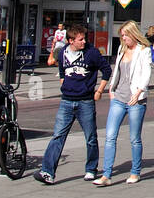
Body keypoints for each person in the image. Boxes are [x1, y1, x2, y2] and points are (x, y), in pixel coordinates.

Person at [34, 25, 111, 185]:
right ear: (71, 41)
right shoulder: (63, 53)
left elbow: (107, 70)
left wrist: (99, 90)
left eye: (84, 38)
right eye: (80, 39)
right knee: (58, 136)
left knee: (90, 137)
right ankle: (47, 172)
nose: (84, 41)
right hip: (67, 100)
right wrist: (64, 85)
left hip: (86, 101)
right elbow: (62, 71)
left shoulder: (92, 53)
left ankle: (91, 169)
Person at [95, 21, 153, 185]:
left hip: (135, 100)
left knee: (134, 138)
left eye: (126, 35)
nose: (123, 38)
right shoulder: (122, 49)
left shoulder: (143, 51)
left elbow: (147, 73)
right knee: (110, 136)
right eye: (122, 36)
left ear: (133, 34)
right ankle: (106, 175)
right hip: (118, 98)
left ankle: (135, 172)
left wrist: (139, 91)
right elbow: (117, 70)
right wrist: (111, 90)